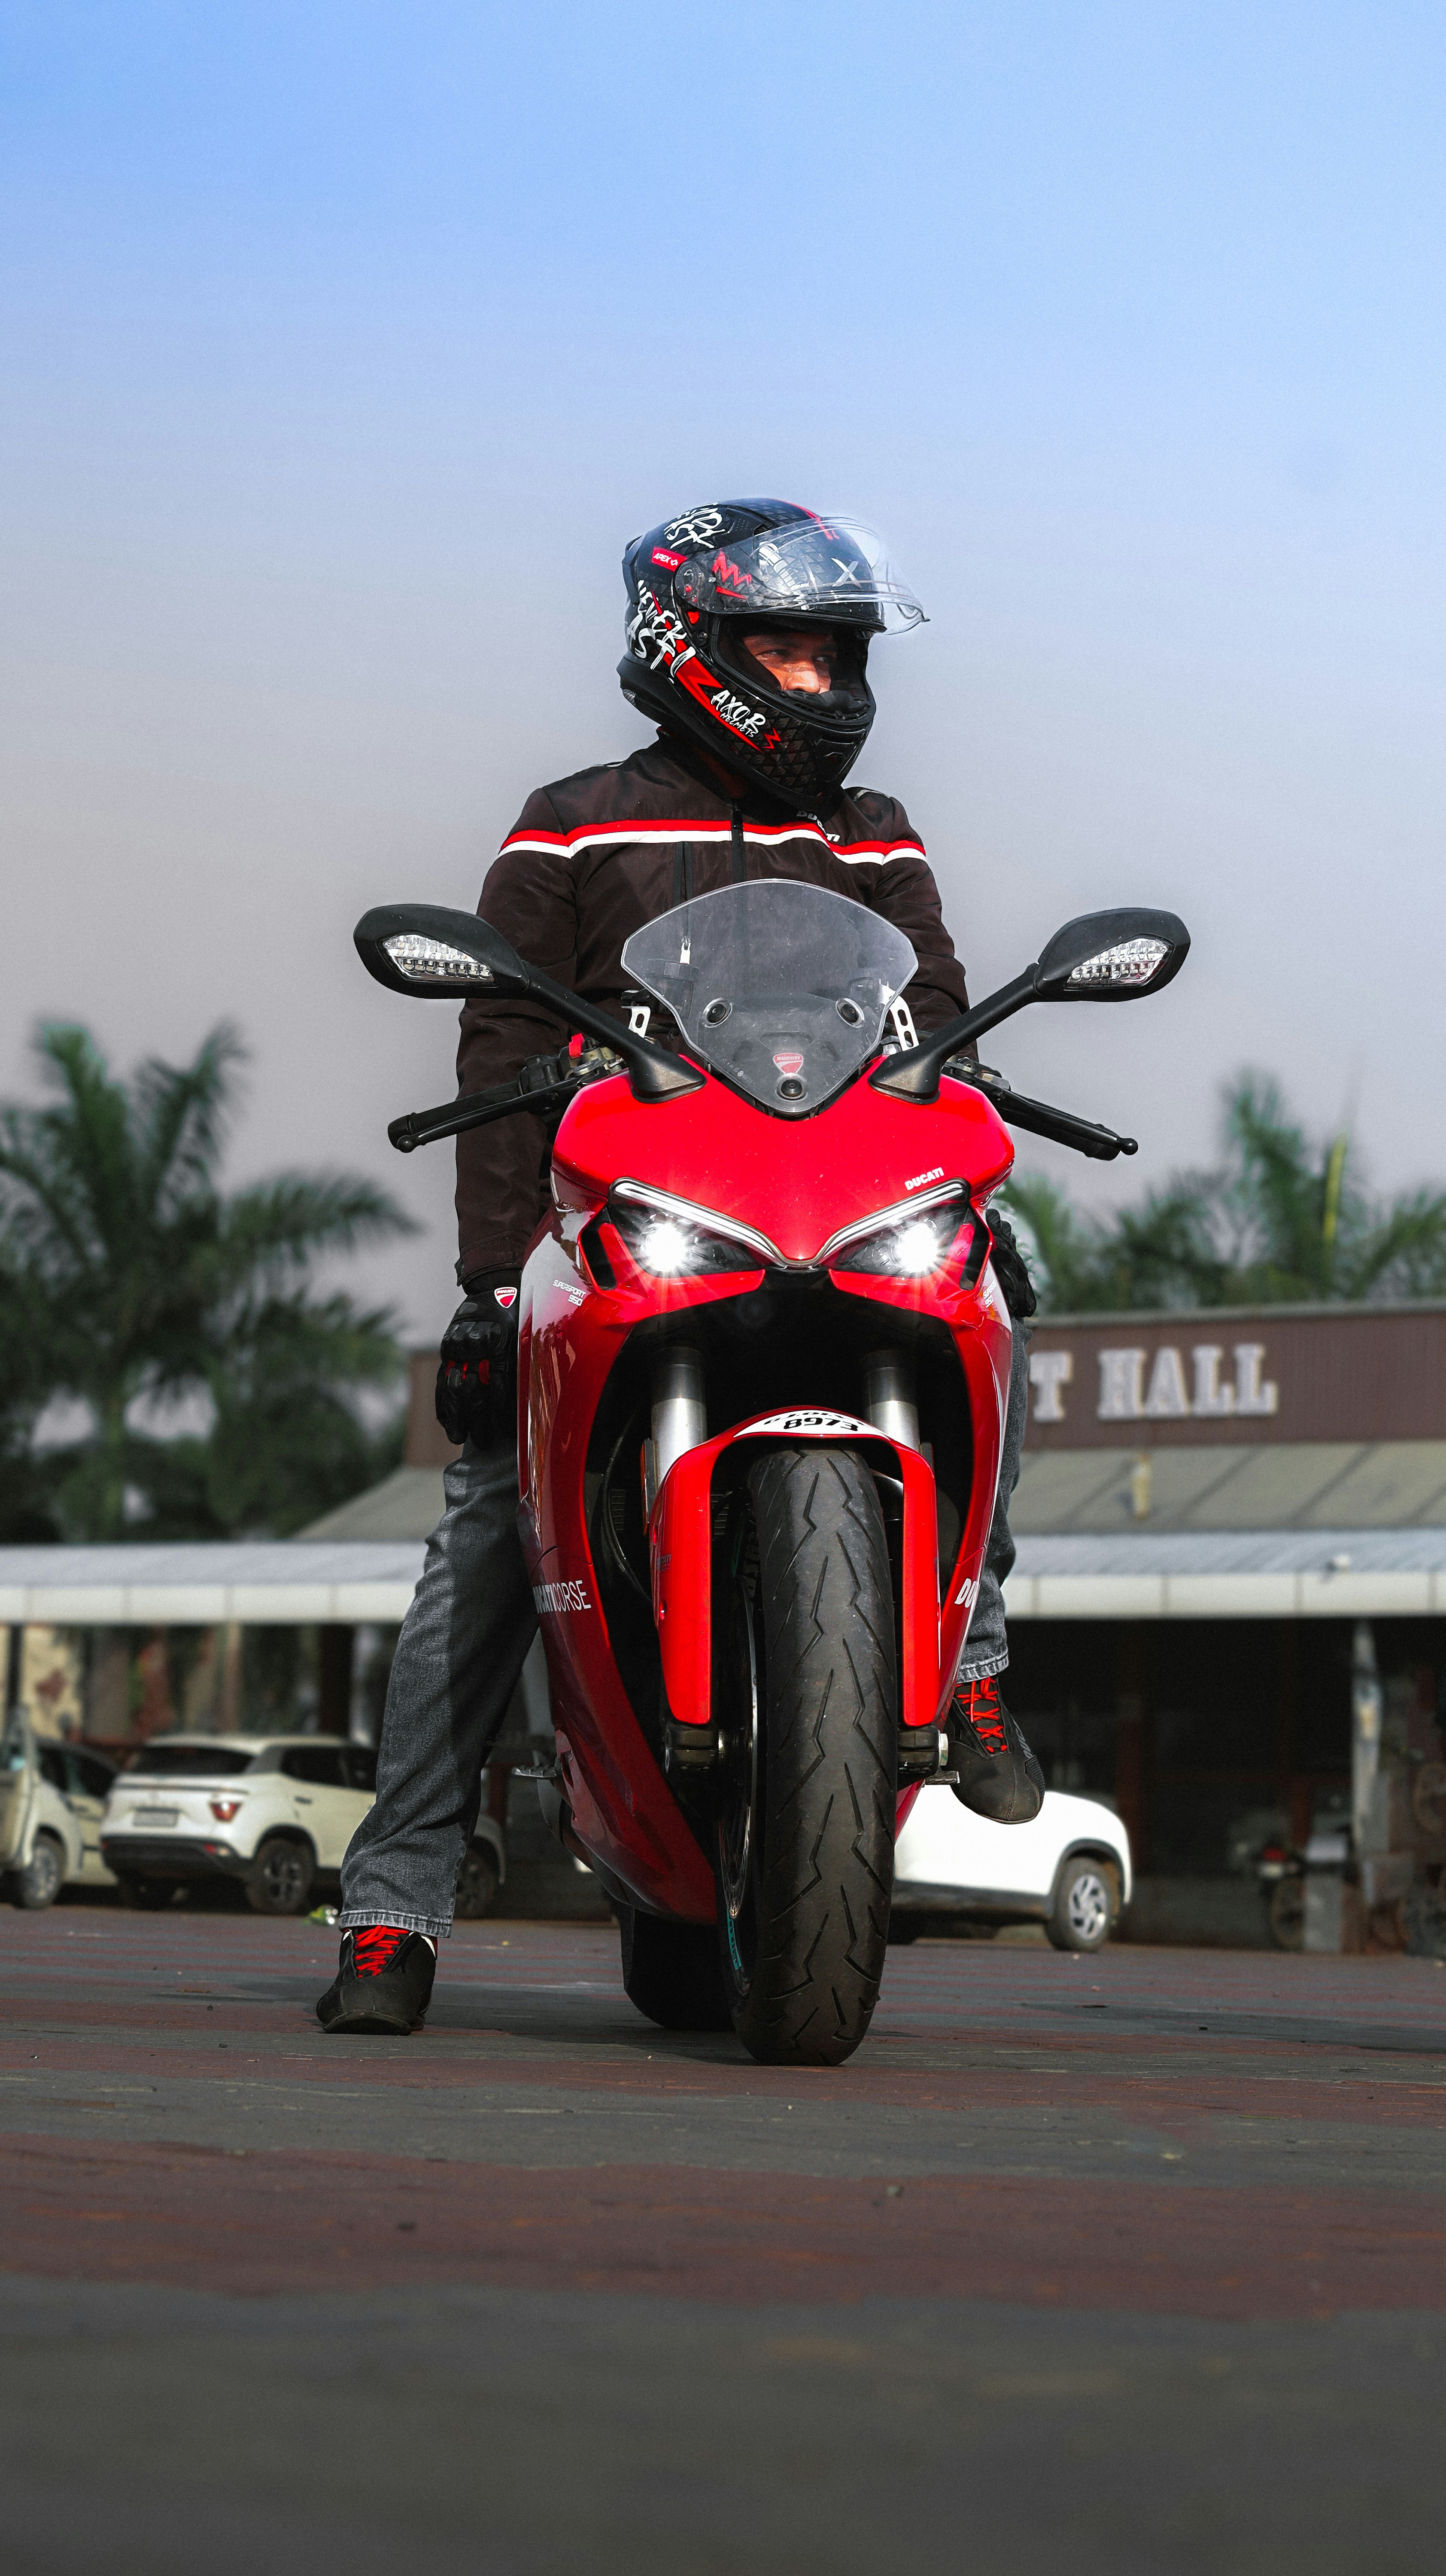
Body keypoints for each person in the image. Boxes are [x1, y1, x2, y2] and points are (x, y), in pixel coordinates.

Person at [317, 498, 1042, 2037]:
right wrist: (489, 1281)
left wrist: (958, 1122)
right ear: (687, 646)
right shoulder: (570, 820)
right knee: (485, 1537)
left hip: (838, 1202)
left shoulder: (876, 833)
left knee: (994, 1299)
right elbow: (504, 1041)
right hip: (638, 1219)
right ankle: (393, 1919)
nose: (821, 680)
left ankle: (972, 1655)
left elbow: (940, 1017)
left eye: (837, 651)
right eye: (785, 646)